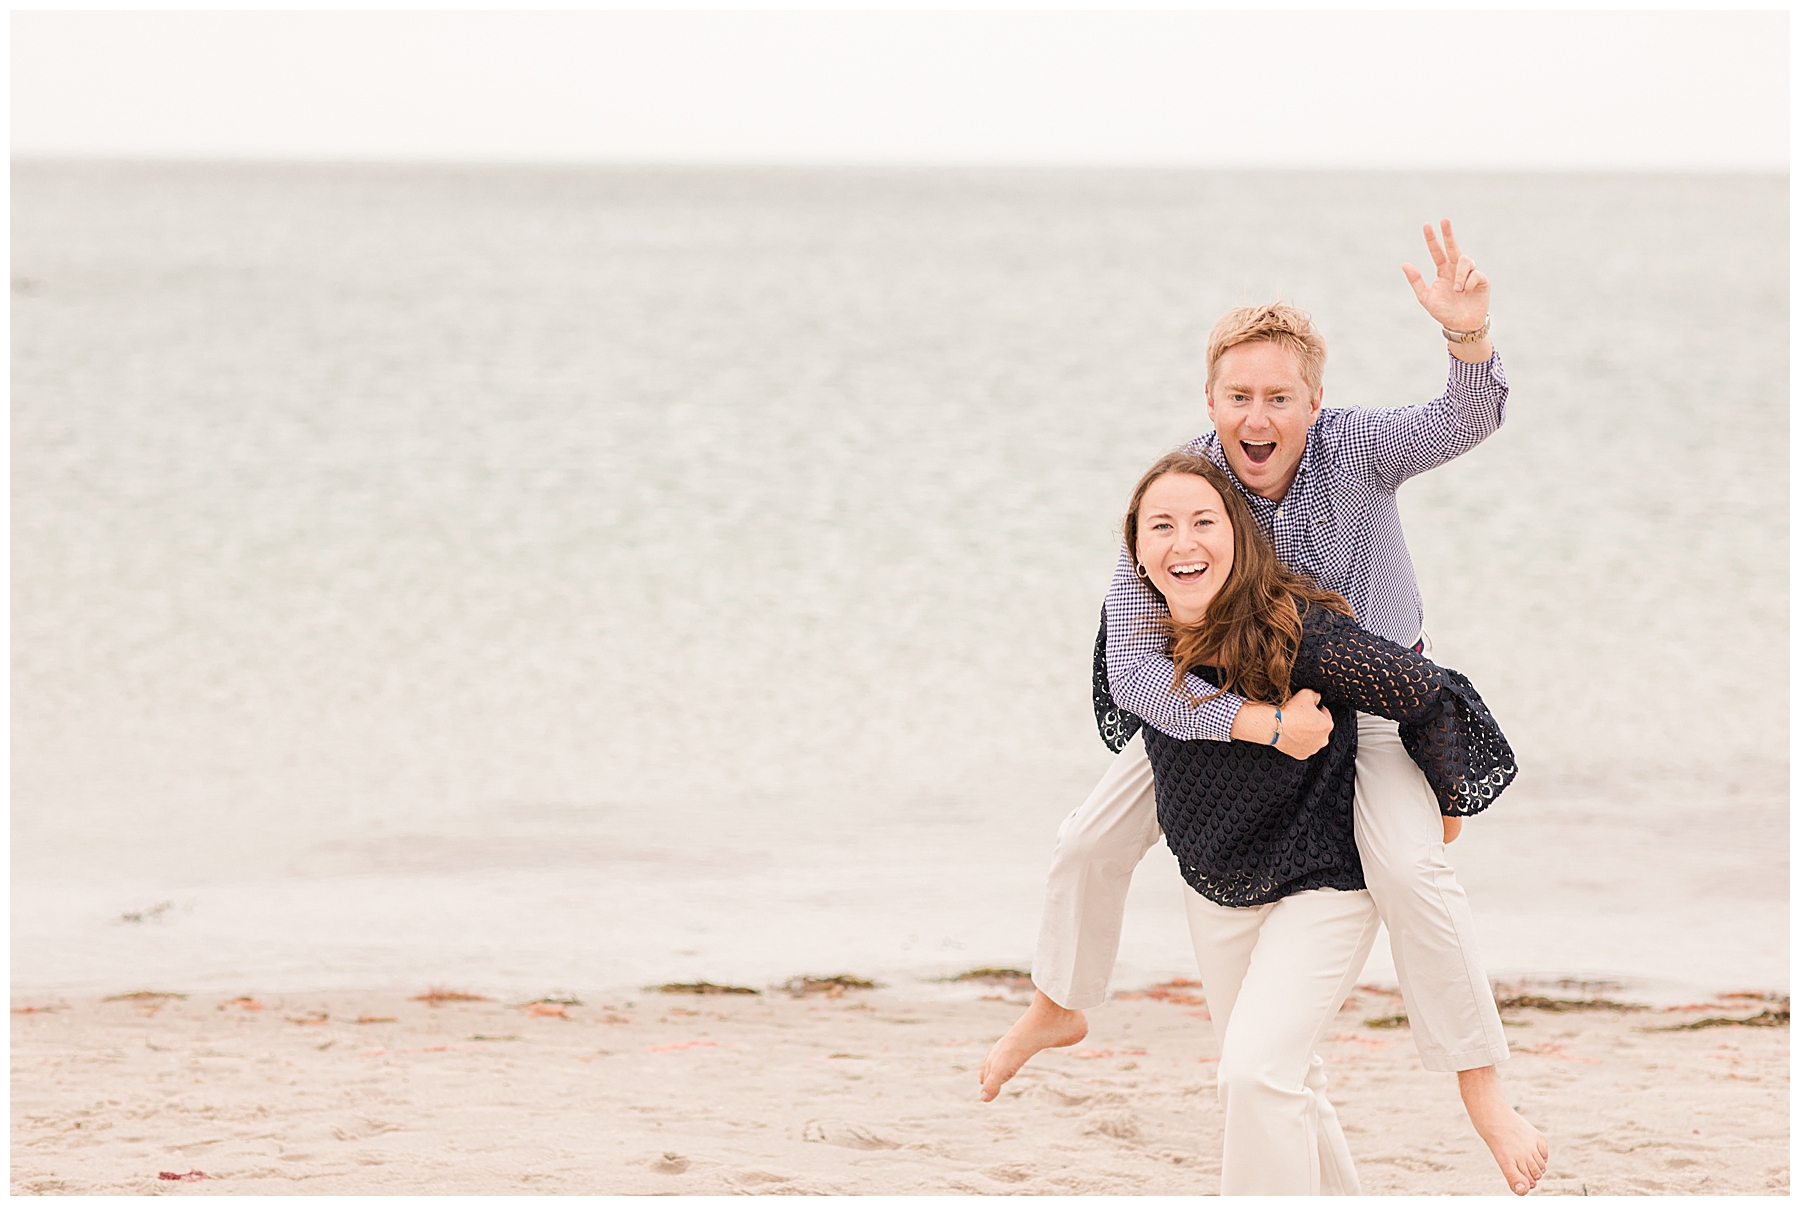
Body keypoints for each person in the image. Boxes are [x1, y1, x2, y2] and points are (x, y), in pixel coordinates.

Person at [980, 222, 1550, 1195]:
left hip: (1369, 704)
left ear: (1312, 404)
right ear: (1211, 403)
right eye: (1239, 397)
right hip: (1231, 711)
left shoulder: (1356, 448)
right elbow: (1130, 666)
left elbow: (1463, 420)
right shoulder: (1186, 491)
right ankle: (1061, 1001)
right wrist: (1255, 724)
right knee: (1084, 842)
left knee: (1411, 871)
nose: (1259, 414)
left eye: (1279, 397)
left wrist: (1469, 336)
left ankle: (1484, 1094)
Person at [1066, 450, 1517, 1194]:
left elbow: (1430, 691)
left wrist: (1445, 801)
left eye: (1205, 522)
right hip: (1219, 881)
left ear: (1240, 537)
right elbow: (1137, 715)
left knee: (1252, 1078)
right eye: (1162, 528)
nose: (1184, 542)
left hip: (1325, 880)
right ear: (1135, 552)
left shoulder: (1295, 631)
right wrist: (1264, 725)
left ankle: (1483, 1088)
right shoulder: (1137, 643)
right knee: (1284, 1085)